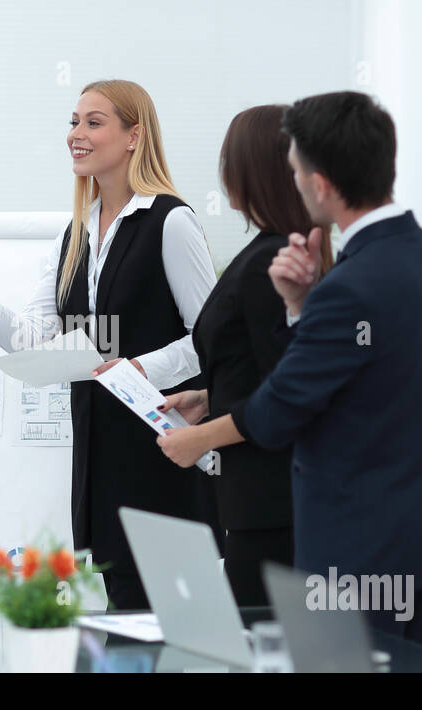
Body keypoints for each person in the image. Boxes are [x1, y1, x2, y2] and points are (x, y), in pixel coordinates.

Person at [0, 80, 215, 610]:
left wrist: (136, 368)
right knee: (125, 616)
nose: (75, 135)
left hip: (162, 453)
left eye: (93, 122)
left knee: (164, 624)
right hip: (99, 455)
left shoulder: (169, 221)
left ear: (134, 136)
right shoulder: (77, 232)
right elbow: (31, 339)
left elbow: (211, 337)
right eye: (73, 121)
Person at [157, 91, 422, 654]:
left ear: (320, 184)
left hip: (353, 553)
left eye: (296, 171)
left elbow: (279, 412)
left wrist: (201, 434)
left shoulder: (349, 287)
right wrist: (300, 310)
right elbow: (356, 380)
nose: (293, 184)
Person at [160, 104, 332, 606]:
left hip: (272, 501)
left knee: (263, 639)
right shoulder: (271, 251)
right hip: (259, 495)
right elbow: (270, 367)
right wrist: (206, 395)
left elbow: (286, 396)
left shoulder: (271, 263)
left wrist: (201, 437)